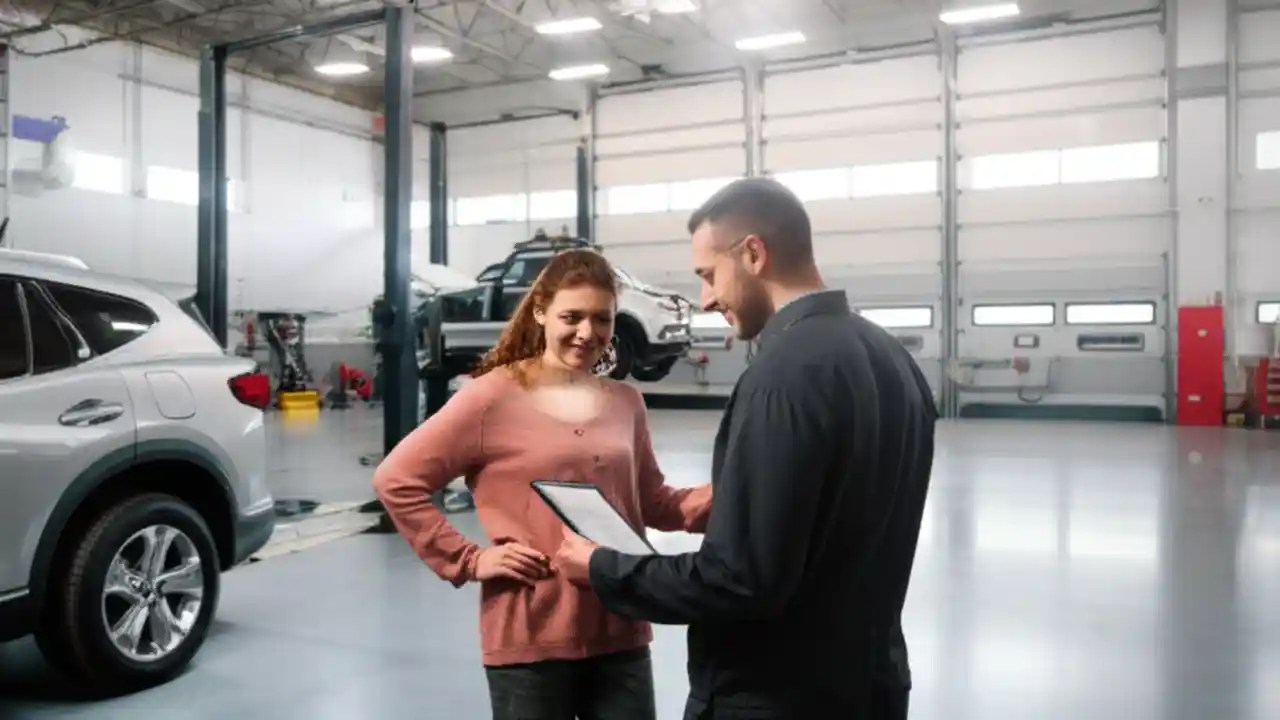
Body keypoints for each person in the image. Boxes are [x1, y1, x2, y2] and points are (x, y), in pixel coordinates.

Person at [555, 177, 938, 719]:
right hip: (872, 686)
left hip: (774, 695)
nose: (707, 298)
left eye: (708, 275)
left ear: (753, 253)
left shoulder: (781, 375)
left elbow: (740, 580)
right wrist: (743, 502)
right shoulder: (893, 360)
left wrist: (603, 568)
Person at [372, 248, 713, 720]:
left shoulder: (625, 402)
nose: (587, 332)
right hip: (530, 633)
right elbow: (397, 479)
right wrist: (469, 559)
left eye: (602, 318)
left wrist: (738, 494)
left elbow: (653, 502)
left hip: (619, 624)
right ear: (540, 312)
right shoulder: (492, 396)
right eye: (571, 316)